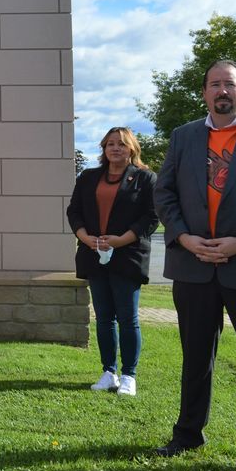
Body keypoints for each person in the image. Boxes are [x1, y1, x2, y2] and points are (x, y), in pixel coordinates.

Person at [153, 59, 236, 471]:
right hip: (194, 267)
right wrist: (185, 237)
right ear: (204, 92)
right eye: (214, 85)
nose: (222, 91)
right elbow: (164, 193)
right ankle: (187, 435)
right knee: (195, 359)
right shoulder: (183, 136)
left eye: (229, 84)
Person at [67, 127, 158, 397]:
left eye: (121, 144)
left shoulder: (145, 178)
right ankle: (109, 372)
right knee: (104, 318)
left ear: (132, 148)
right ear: (103, 148)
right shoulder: (89, 177)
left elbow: (151, 218)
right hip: (94, 254)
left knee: (128, 318)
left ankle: (129, 375)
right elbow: (74, 211)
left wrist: (120, 240)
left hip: (127, 255)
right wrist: (85, 237)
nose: (115, 148)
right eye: (110, 144)